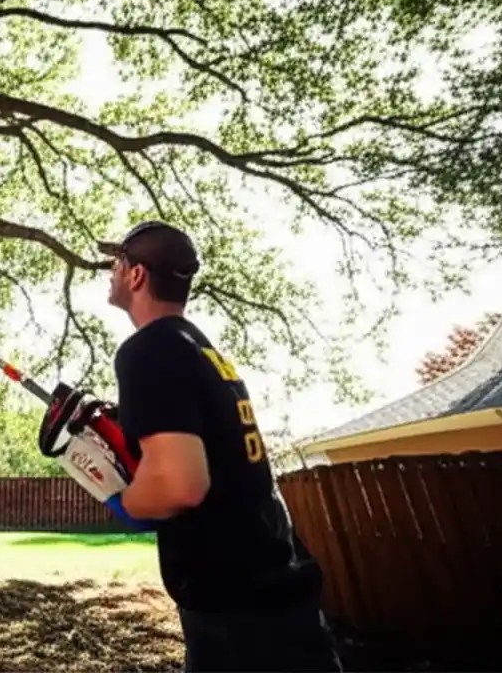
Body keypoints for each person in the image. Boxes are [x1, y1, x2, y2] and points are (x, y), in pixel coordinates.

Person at [97, 221, 342, 672]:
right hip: (275, 596)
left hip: (238, 617)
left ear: (136, 276)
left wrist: (124, 500)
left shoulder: (149, 349)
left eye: (117, 263)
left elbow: (181, 486)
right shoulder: (200, 349)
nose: (110, 272)